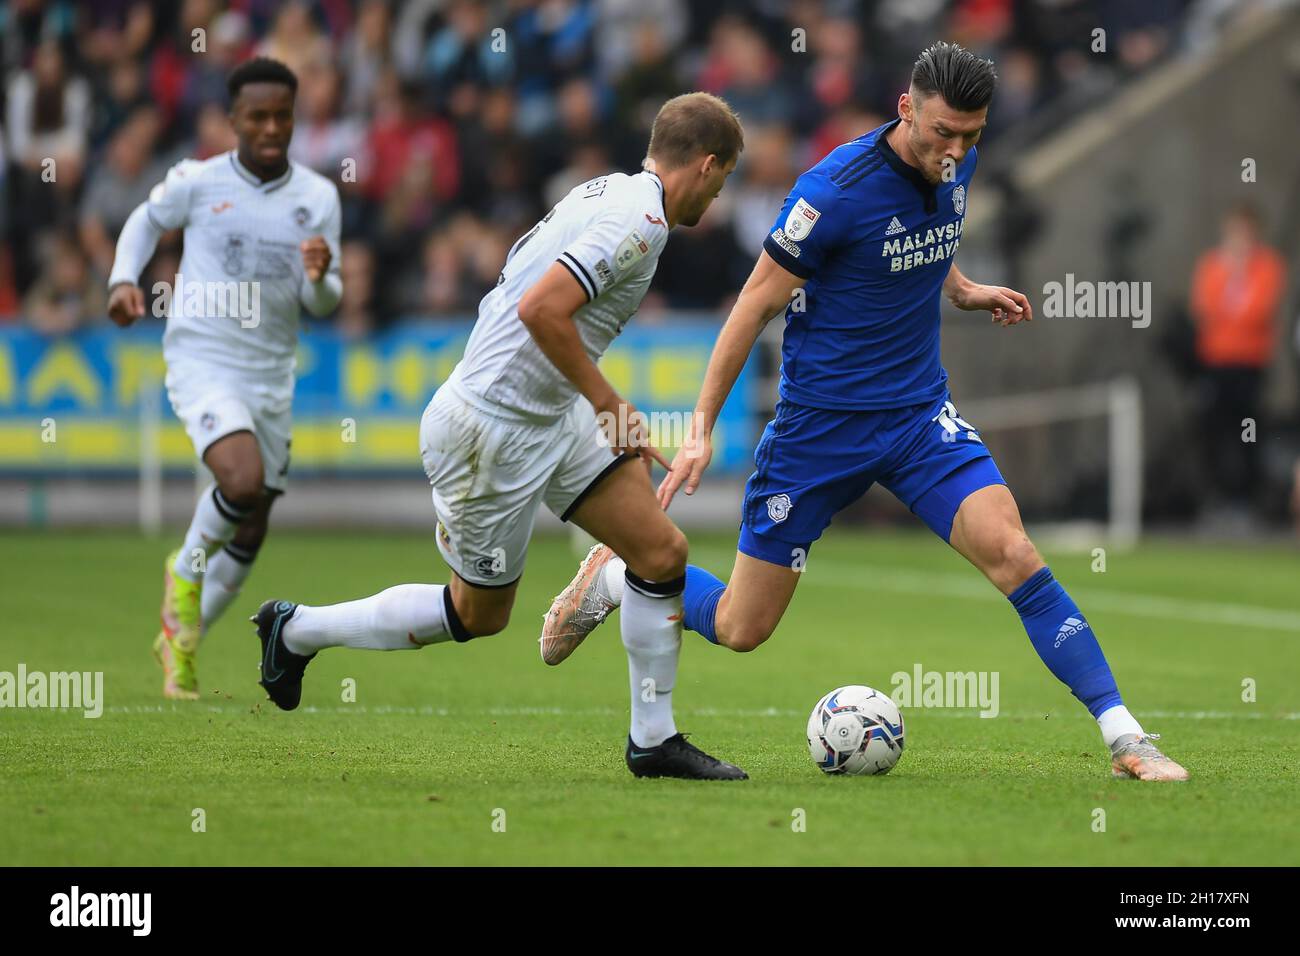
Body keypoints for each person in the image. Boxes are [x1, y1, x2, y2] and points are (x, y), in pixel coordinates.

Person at [542, 43, 1188, 782]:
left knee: (1014, 553)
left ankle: (1127, 739)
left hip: (918, 418)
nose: (954, 151)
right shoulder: (833, 190)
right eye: (942, 132)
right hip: (818, 432)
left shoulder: (959, 160)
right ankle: (619, 576)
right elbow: (752, 307)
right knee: (741, 628)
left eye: (970, 137)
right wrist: (699, 432)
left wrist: (962, 287)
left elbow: (918, 238)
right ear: (905, 108)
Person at [251, 93, 748, 781]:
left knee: (661, 551)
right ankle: (296, 629)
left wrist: (583, 400)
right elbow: (539, 306)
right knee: (478, 614)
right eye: (723, 180)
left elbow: (521, 272)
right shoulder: (641, 221)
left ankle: (653, 740)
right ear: (707, 164)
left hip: (547, 412)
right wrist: (608, 403)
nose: (719, 196)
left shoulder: (607, 189)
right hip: (491, 430)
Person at [106, 57, 342, 700]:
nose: (271, 127)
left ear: (294, 118)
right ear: (233, 120)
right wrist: (123, 279)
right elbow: (144, 221)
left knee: (252, 522)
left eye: (282, 116)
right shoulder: (198, 181)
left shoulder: (318, 198)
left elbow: (325, 303)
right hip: (204, 358)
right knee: (238, 481)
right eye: (257, 116)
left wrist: (321, 277)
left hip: (271, 373)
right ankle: (182, 572)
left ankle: (181, 642)